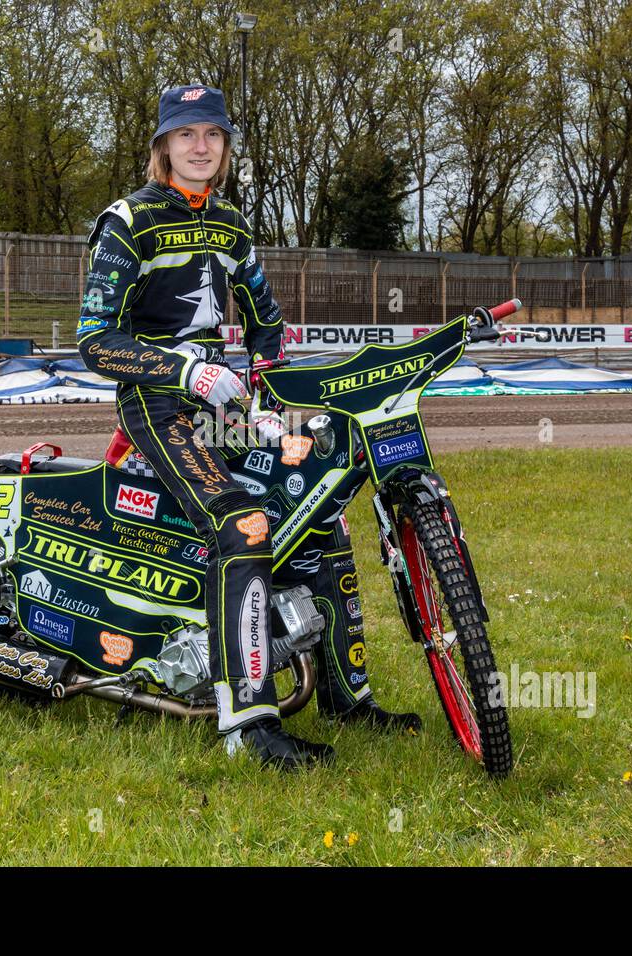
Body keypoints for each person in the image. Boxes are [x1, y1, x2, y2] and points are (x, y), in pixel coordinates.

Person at [76, 83, 420, 769]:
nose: (200, 146)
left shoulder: (232, 224)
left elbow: (266, 321)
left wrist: (263, 389)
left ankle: (349, 699)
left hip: (226, 406)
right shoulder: (127, 222)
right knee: (242, 526)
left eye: (213, 134)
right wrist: (185, 372)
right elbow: (94, 339)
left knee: (322, 510)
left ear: (226, 147)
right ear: (163, 148)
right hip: (158, 404)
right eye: (186, 135)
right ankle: (249, 728)